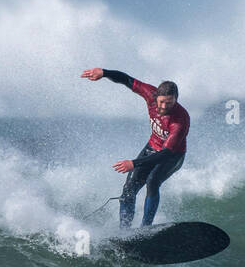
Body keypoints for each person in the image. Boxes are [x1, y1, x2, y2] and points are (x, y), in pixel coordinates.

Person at [81, 67, 190, 227]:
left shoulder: (180, 119)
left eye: (170, 103)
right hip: (152, 147)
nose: (165, 106)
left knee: (153, 181)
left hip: (172, 156)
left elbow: (166, 153)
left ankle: (145, 228)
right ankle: (124, 230)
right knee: (129, 189)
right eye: (162, 102)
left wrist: (134, 163)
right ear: (156, 97)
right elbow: (127, 80)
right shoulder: (149, 94)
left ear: (176, 100)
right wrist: (104, 73)